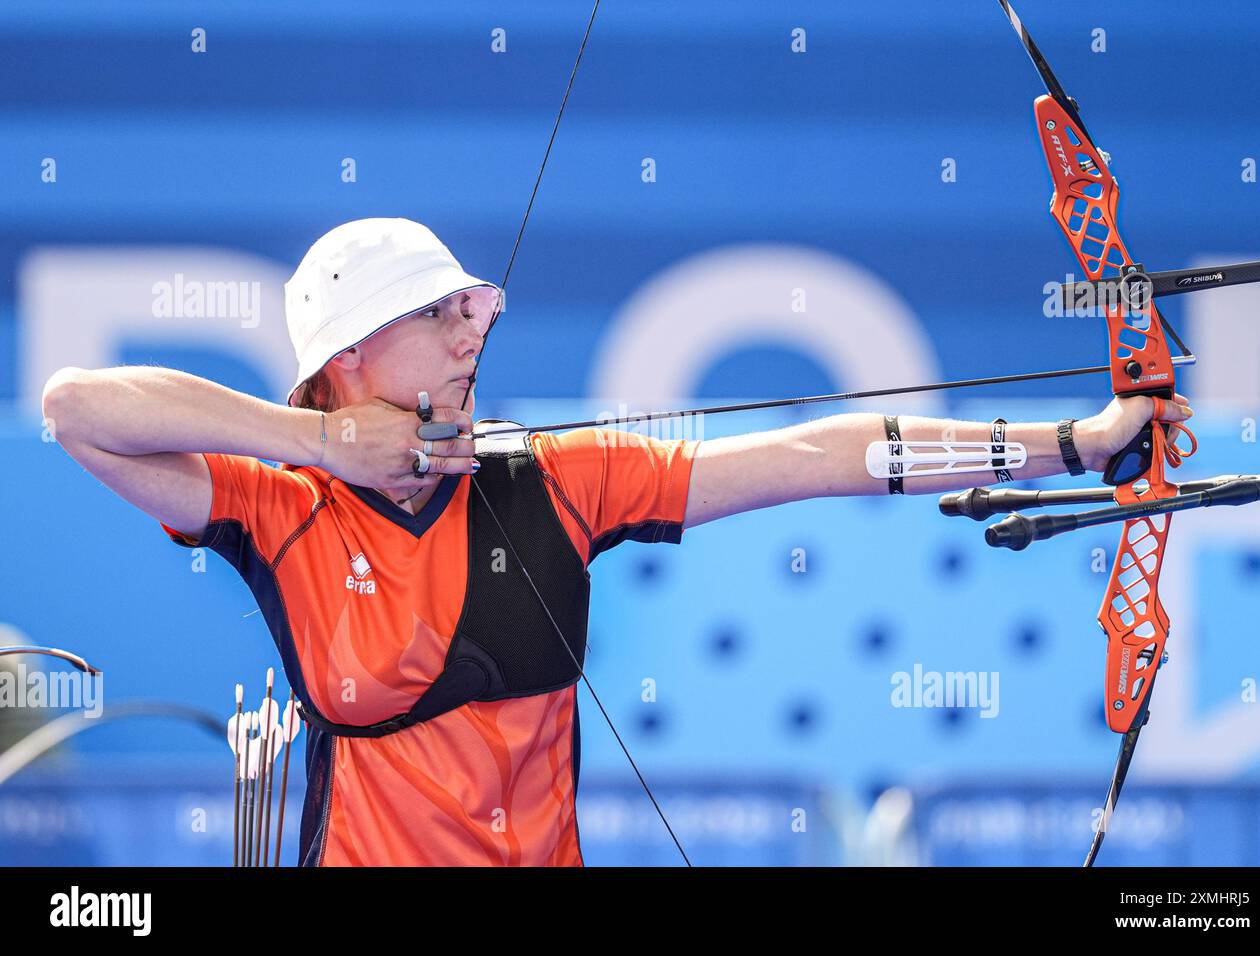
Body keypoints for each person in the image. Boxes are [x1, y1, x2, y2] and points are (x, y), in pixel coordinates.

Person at [40, 217, 1192, 865]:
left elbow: (820, 455)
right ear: (347, 356)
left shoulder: (555, 479)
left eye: (466, 310)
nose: (464, 332)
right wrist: (321, 443)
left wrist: (1073, 442)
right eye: (431, 315)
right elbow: (74, 406)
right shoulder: (278, 505)